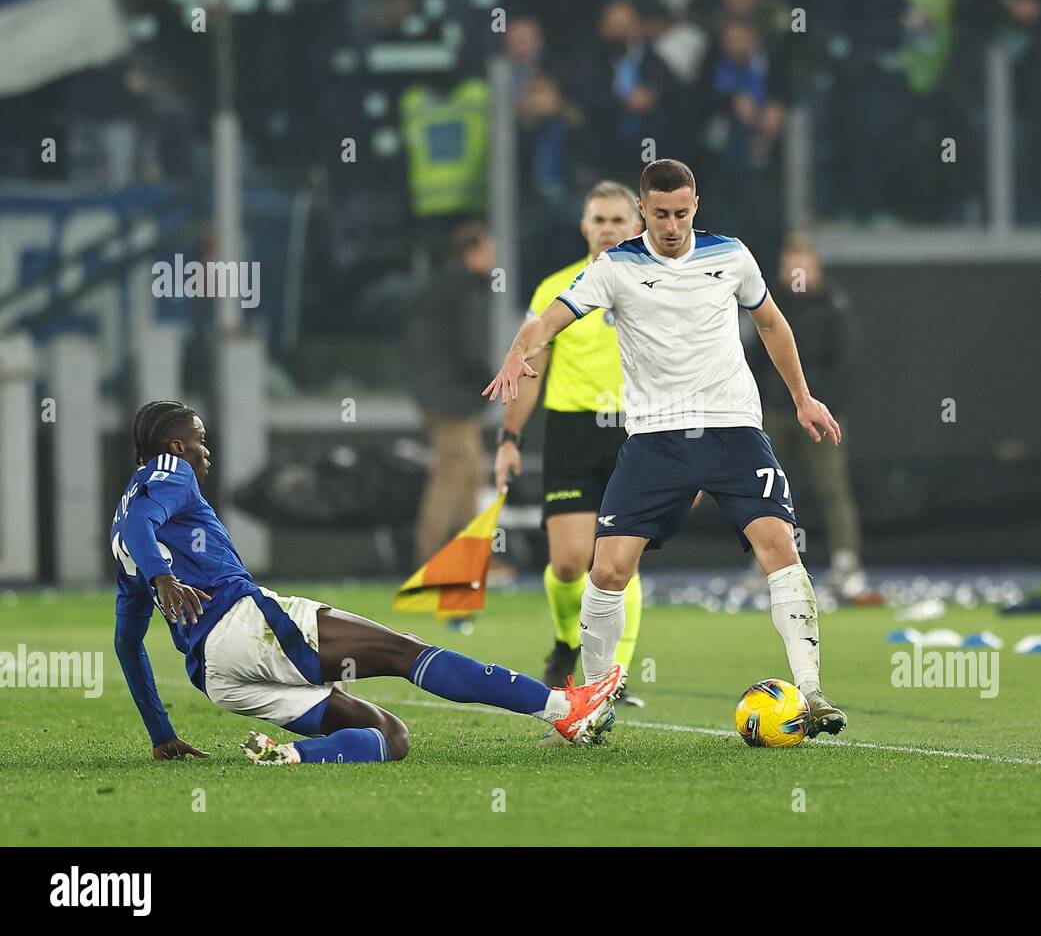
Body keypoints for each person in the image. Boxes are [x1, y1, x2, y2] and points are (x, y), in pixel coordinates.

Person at [484, 159, 848, 737]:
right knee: (607, 568)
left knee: (779, 546)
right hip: (656, 438)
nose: (672, 225)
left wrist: (803, 398)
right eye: (660, 215)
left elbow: (773, 323)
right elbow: (547, 322)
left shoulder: (731, 255)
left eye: (681, 213)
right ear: (643, 210)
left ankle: (811, 693)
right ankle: (595, 700)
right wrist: (516, 352)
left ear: (695, 205)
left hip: (731, 428)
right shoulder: (617, 267)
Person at [111, 402, 625, 765]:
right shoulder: (167, 471)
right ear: (176, 446)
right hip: (246, 627)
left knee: (388, 737)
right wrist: (163, 577)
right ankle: (563, 709)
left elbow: (127, 643)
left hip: (219, 677)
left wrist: (162, 734)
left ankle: (288, 756)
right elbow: (145, 527)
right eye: (201, 440)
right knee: (406, 653)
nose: (207, 452)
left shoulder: (122, 528)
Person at [493, 181, 648, 702]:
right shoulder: (556, 291)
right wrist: (509, 438)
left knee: (621, 560)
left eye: (617, 221)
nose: (607, 229)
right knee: (567, 562)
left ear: (637, 226)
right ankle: (566, 641)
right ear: (585, 227)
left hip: (635, 429)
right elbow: (531, 368)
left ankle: (612, 677)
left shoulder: (656, 286)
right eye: (598, 220)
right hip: (571, 432)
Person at [752, 234, 867, 595]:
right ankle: (764, 564)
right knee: (767, 489)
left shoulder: (834, 305)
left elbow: (845, 361)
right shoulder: (769, 304)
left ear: (816, 268)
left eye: (802, 265)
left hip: (820, 413)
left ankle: (845, 565)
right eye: (790, 266)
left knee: (831, 488)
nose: (796, 273)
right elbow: (755, 357)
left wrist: (820, 402)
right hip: (775, 411)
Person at [406, 222, 495, 565]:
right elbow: (470, 348)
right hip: (451, 398)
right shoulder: (465, 290)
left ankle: (467, 556)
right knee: (451, 475)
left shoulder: (436, 287)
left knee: (470, 473)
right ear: (471, 253)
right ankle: (431, 557)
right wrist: (490, 381)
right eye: (488, 251)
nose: (492, 259)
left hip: (440, 395)